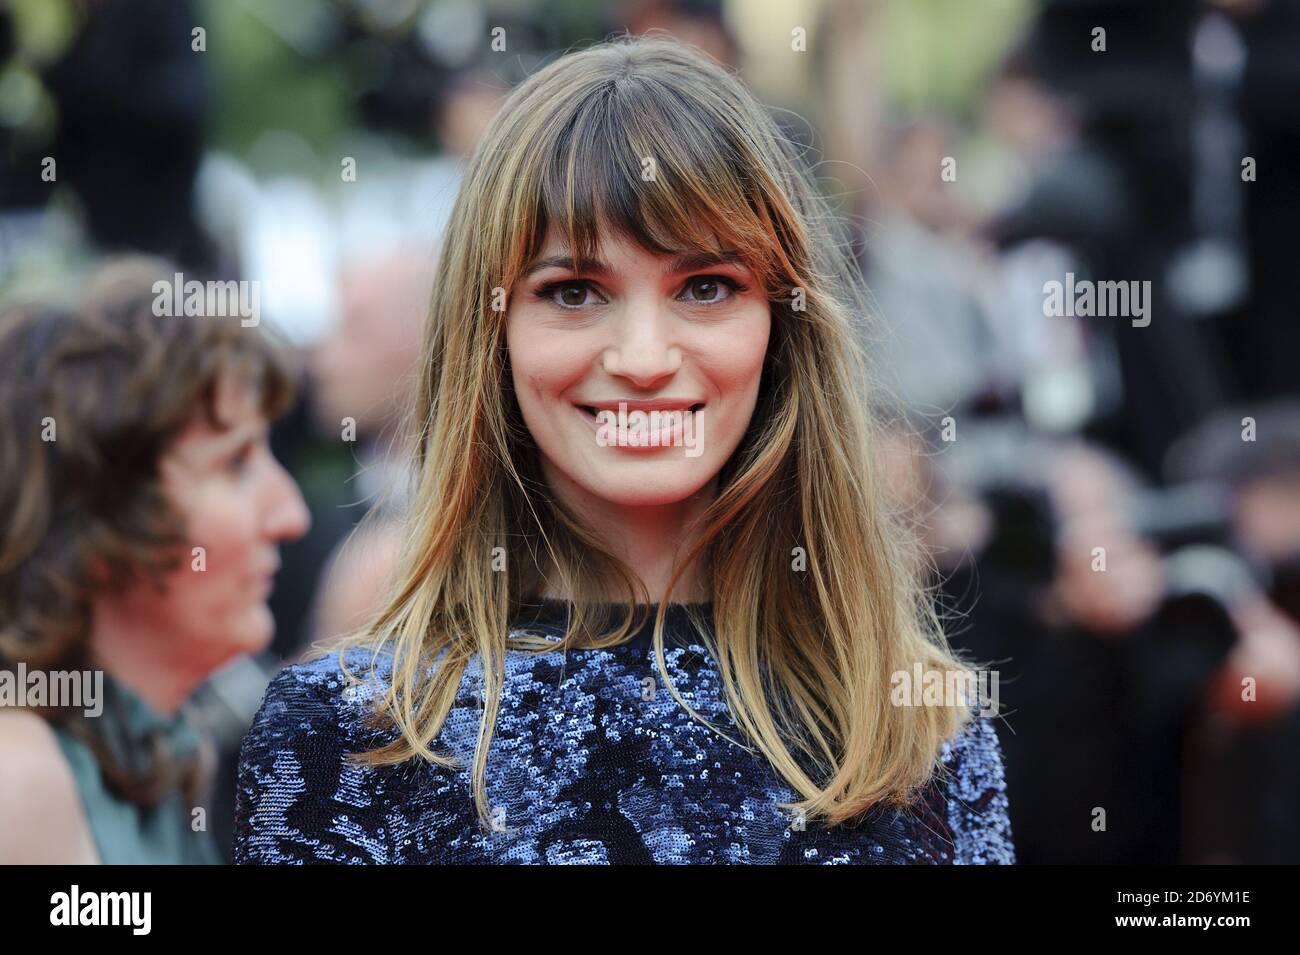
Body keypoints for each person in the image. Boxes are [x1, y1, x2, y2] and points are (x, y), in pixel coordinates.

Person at [234, 35, 1015, 865]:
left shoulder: (919, 729)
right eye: (573, 292)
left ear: (783, 329)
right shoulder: (348, 735)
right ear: (489, 333)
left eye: (706, 287)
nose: (643, 357)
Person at [0, 259, 310, 863]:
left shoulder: (169, 749)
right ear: (96, 513)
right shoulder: (21, 777)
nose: (290, 515)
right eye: (235, 463)